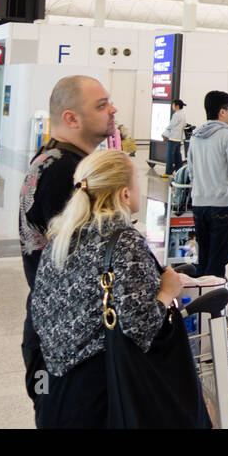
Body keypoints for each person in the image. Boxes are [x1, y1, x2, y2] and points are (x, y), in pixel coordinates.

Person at [30, 149, 190, 428]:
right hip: (102, 393)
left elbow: (39, 309)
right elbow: (141, 326)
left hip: (57, 388)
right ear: (125, 194)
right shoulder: (124, 242)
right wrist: (167, 292)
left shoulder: (60, 238)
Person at [18, 75, 116, 419]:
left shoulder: (53, 159)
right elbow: (84, 258)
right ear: (72, 118)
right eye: (101, 105)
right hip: (65, 345)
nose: (112, 110)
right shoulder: (66, 172)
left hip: (52, 331)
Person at [189, 91, 228, 279]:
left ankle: (200, 297)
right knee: (218, 260)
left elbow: (191, 171)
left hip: (199, 205)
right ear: (222, 112)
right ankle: (214, 302)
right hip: (224, 205)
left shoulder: (196, 136)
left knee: (204, 257)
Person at [163, 99, 186, 178]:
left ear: (176, 106)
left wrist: (165, 134)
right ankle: (179, 171)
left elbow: (171, 126)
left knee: (169, 155)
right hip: (178, 138)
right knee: (177, 156)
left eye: (173, 105)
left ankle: (168, 172)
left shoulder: (176, 115)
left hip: (173, 138)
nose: (172, 106)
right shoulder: (183, 114)